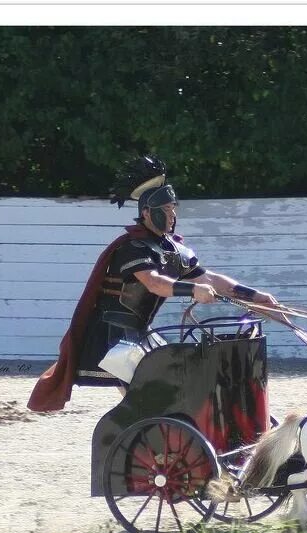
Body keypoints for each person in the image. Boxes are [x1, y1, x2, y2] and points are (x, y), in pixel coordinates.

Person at [27, 155, 278, 412]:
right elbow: (154, 282)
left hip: (140, 332)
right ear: (147, 213)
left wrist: (256, 296)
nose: (172, 215)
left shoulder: (173, 249)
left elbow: (210, 279)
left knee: (169, 386)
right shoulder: (133, 247)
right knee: (148, 398)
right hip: (113, 335)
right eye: (166, 210)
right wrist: (193, 290)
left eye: (173, 209)